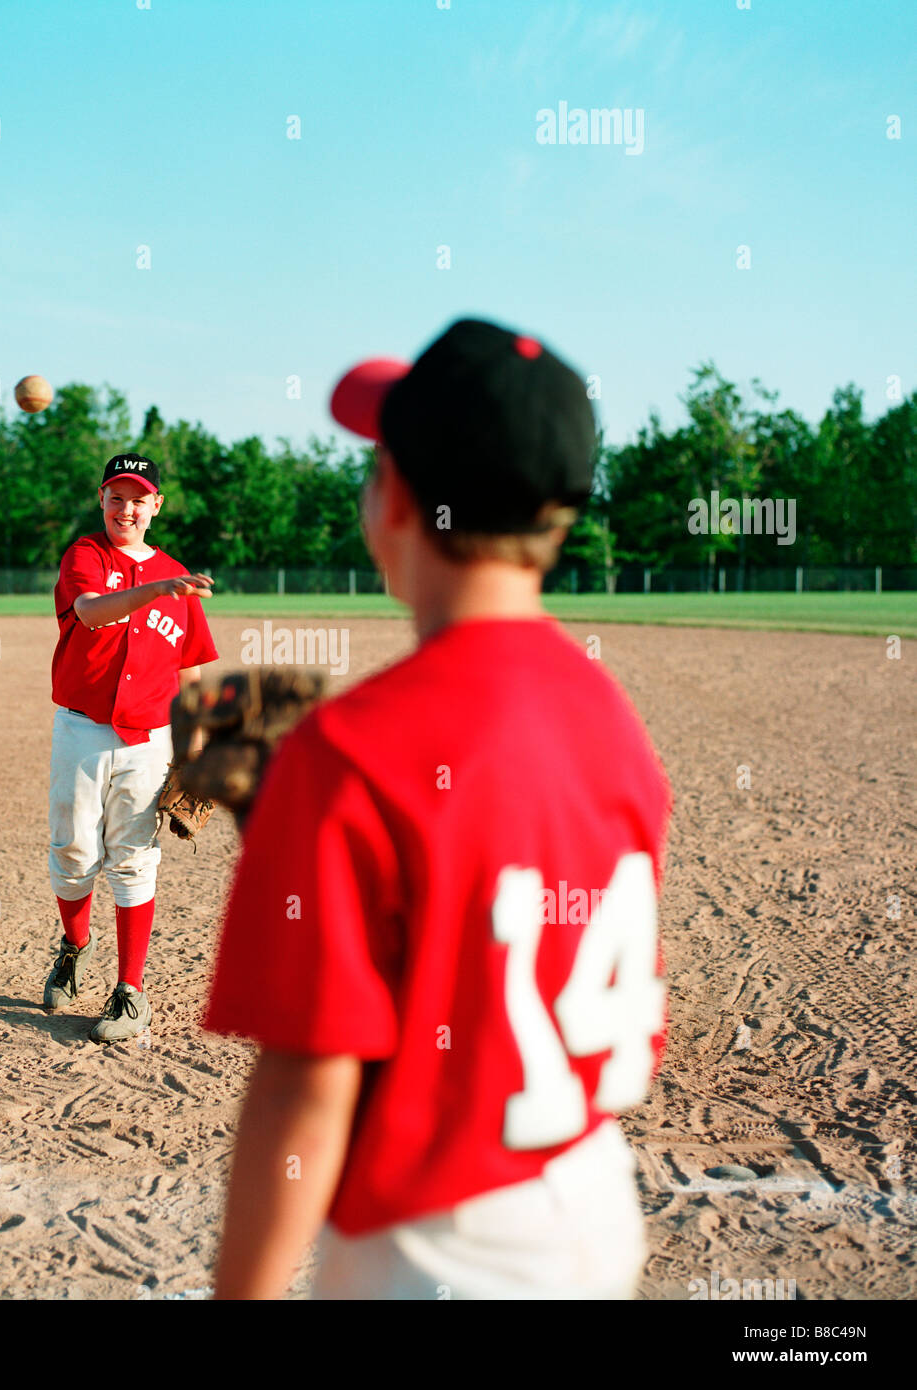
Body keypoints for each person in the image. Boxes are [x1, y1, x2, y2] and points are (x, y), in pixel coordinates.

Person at [202, 318, 672, 1299]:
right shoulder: (607, 712)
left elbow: (308, 1083)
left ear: (399, 502)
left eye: (376, 462)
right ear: (557, 514)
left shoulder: (354, 752)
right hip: (590, 1199)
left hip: (435, 1256)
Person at [46, 453, 217, 1042]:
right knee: (71, 853)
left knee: (133, 859)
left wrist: (194, 750)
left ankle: (130, 992)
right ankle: (74, 945)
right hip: (82, 731)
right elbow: (90, 612)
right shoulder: (86, 556)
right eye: (117, 497)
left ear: (156, 506)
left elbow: (191, 668)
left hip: (149, 741)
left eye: (139, 498)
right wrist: (156, 590)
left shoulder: (178, 575)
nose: (127, 509)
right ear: (102, 500)